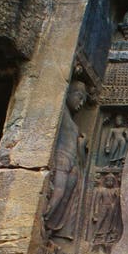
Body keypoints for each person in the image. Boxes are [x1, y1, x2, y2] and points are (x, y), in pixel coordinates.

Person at [44, 81, 87, 240]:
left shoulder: (75, 127)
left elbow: (82, 160)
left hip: (72, 163)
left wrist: (82, 145)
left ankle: (51, 229)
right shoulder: (60, 112)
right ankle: (43, 218)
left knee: (67, 197)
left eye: (83, 100)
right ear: (68, 93)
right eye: (79, 97)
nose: (81, 103)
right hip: (61, 160)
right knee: (58, 193)